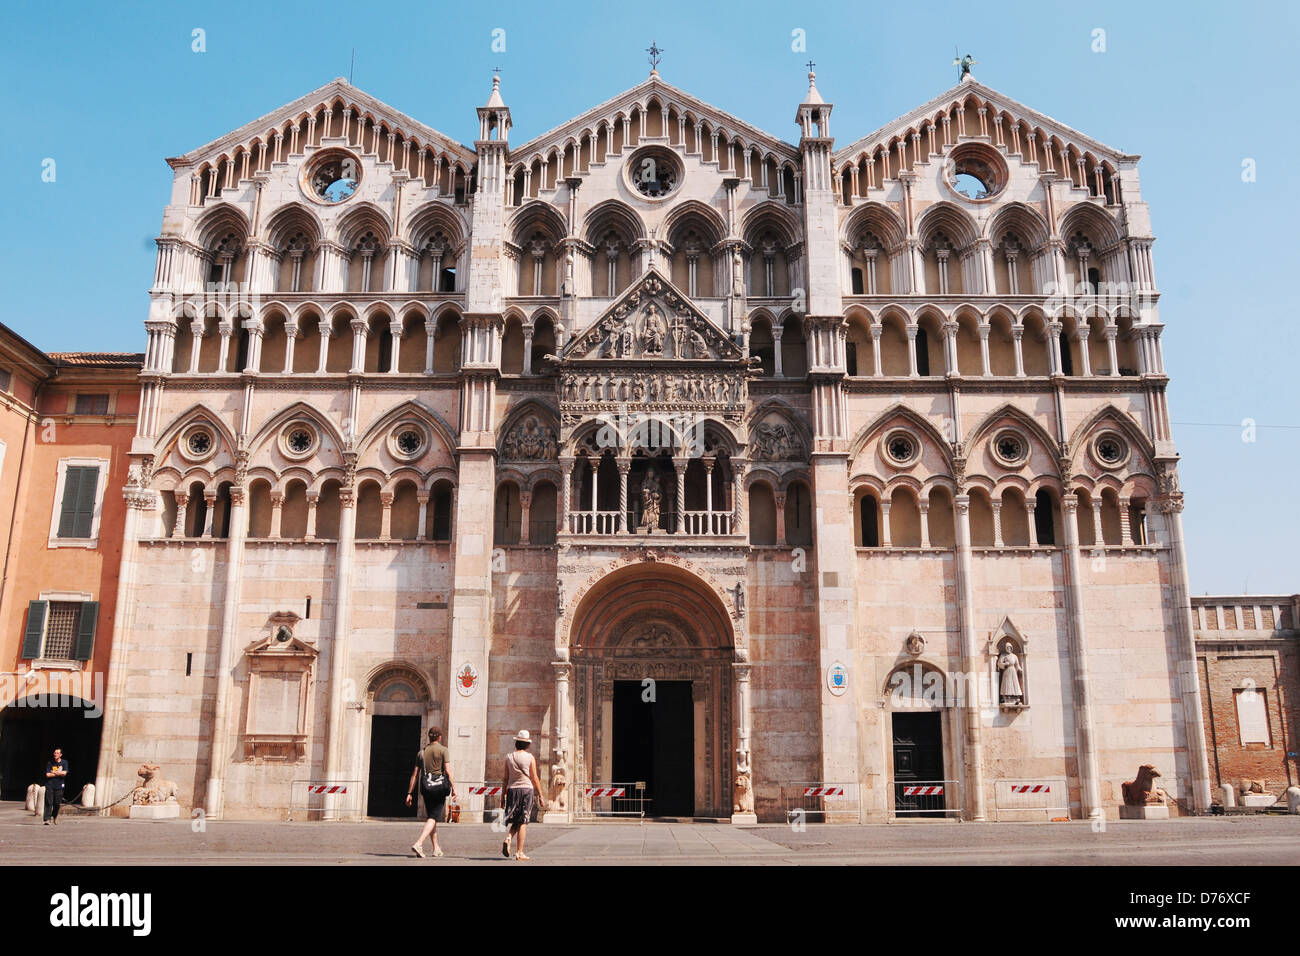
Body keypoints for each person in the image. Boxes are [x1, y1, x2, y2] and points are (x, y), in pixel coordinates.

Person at [405, 727, 455, 858]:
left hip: (426, 787)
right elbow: (448, 771)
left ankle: (436, 848)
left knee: (432, 817)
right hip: (439, 787)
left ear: (429, 737)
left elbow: (415, 775)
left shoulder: (421, 752)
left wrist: (409, 793)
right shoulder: (443, 750)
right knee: (433, 817)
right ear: (439, 737)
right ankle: (419, 843)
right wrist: (454, 788)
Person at [501, 729, 544, 861]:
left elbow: (505, 779)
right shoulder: (530, 757)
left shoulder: (509, 757)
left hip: (513, 790)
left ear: (516, 743)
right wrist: (541, 795)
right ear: (527, 745)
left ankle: (508, 838)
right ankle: (519, 852)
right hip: (526, 790)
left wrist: (503, 796)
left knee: (516, 819)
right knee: (523, 821)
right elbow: (534, 777)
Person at [43, 748, 68, 826]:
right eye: (54, 753)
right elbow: (47, 775)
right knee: (48, 802)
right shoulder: (50, 763)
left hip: (59, 785)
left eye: (57, 753)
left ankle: (55, 816)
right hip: (50, 785)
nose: (55, 754)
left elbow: (64, 773)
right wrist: (58, 773)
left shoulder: (64, 763)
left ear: (60, 754)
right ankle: (47, 819)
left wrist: (54, 772)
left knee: (57, 803)